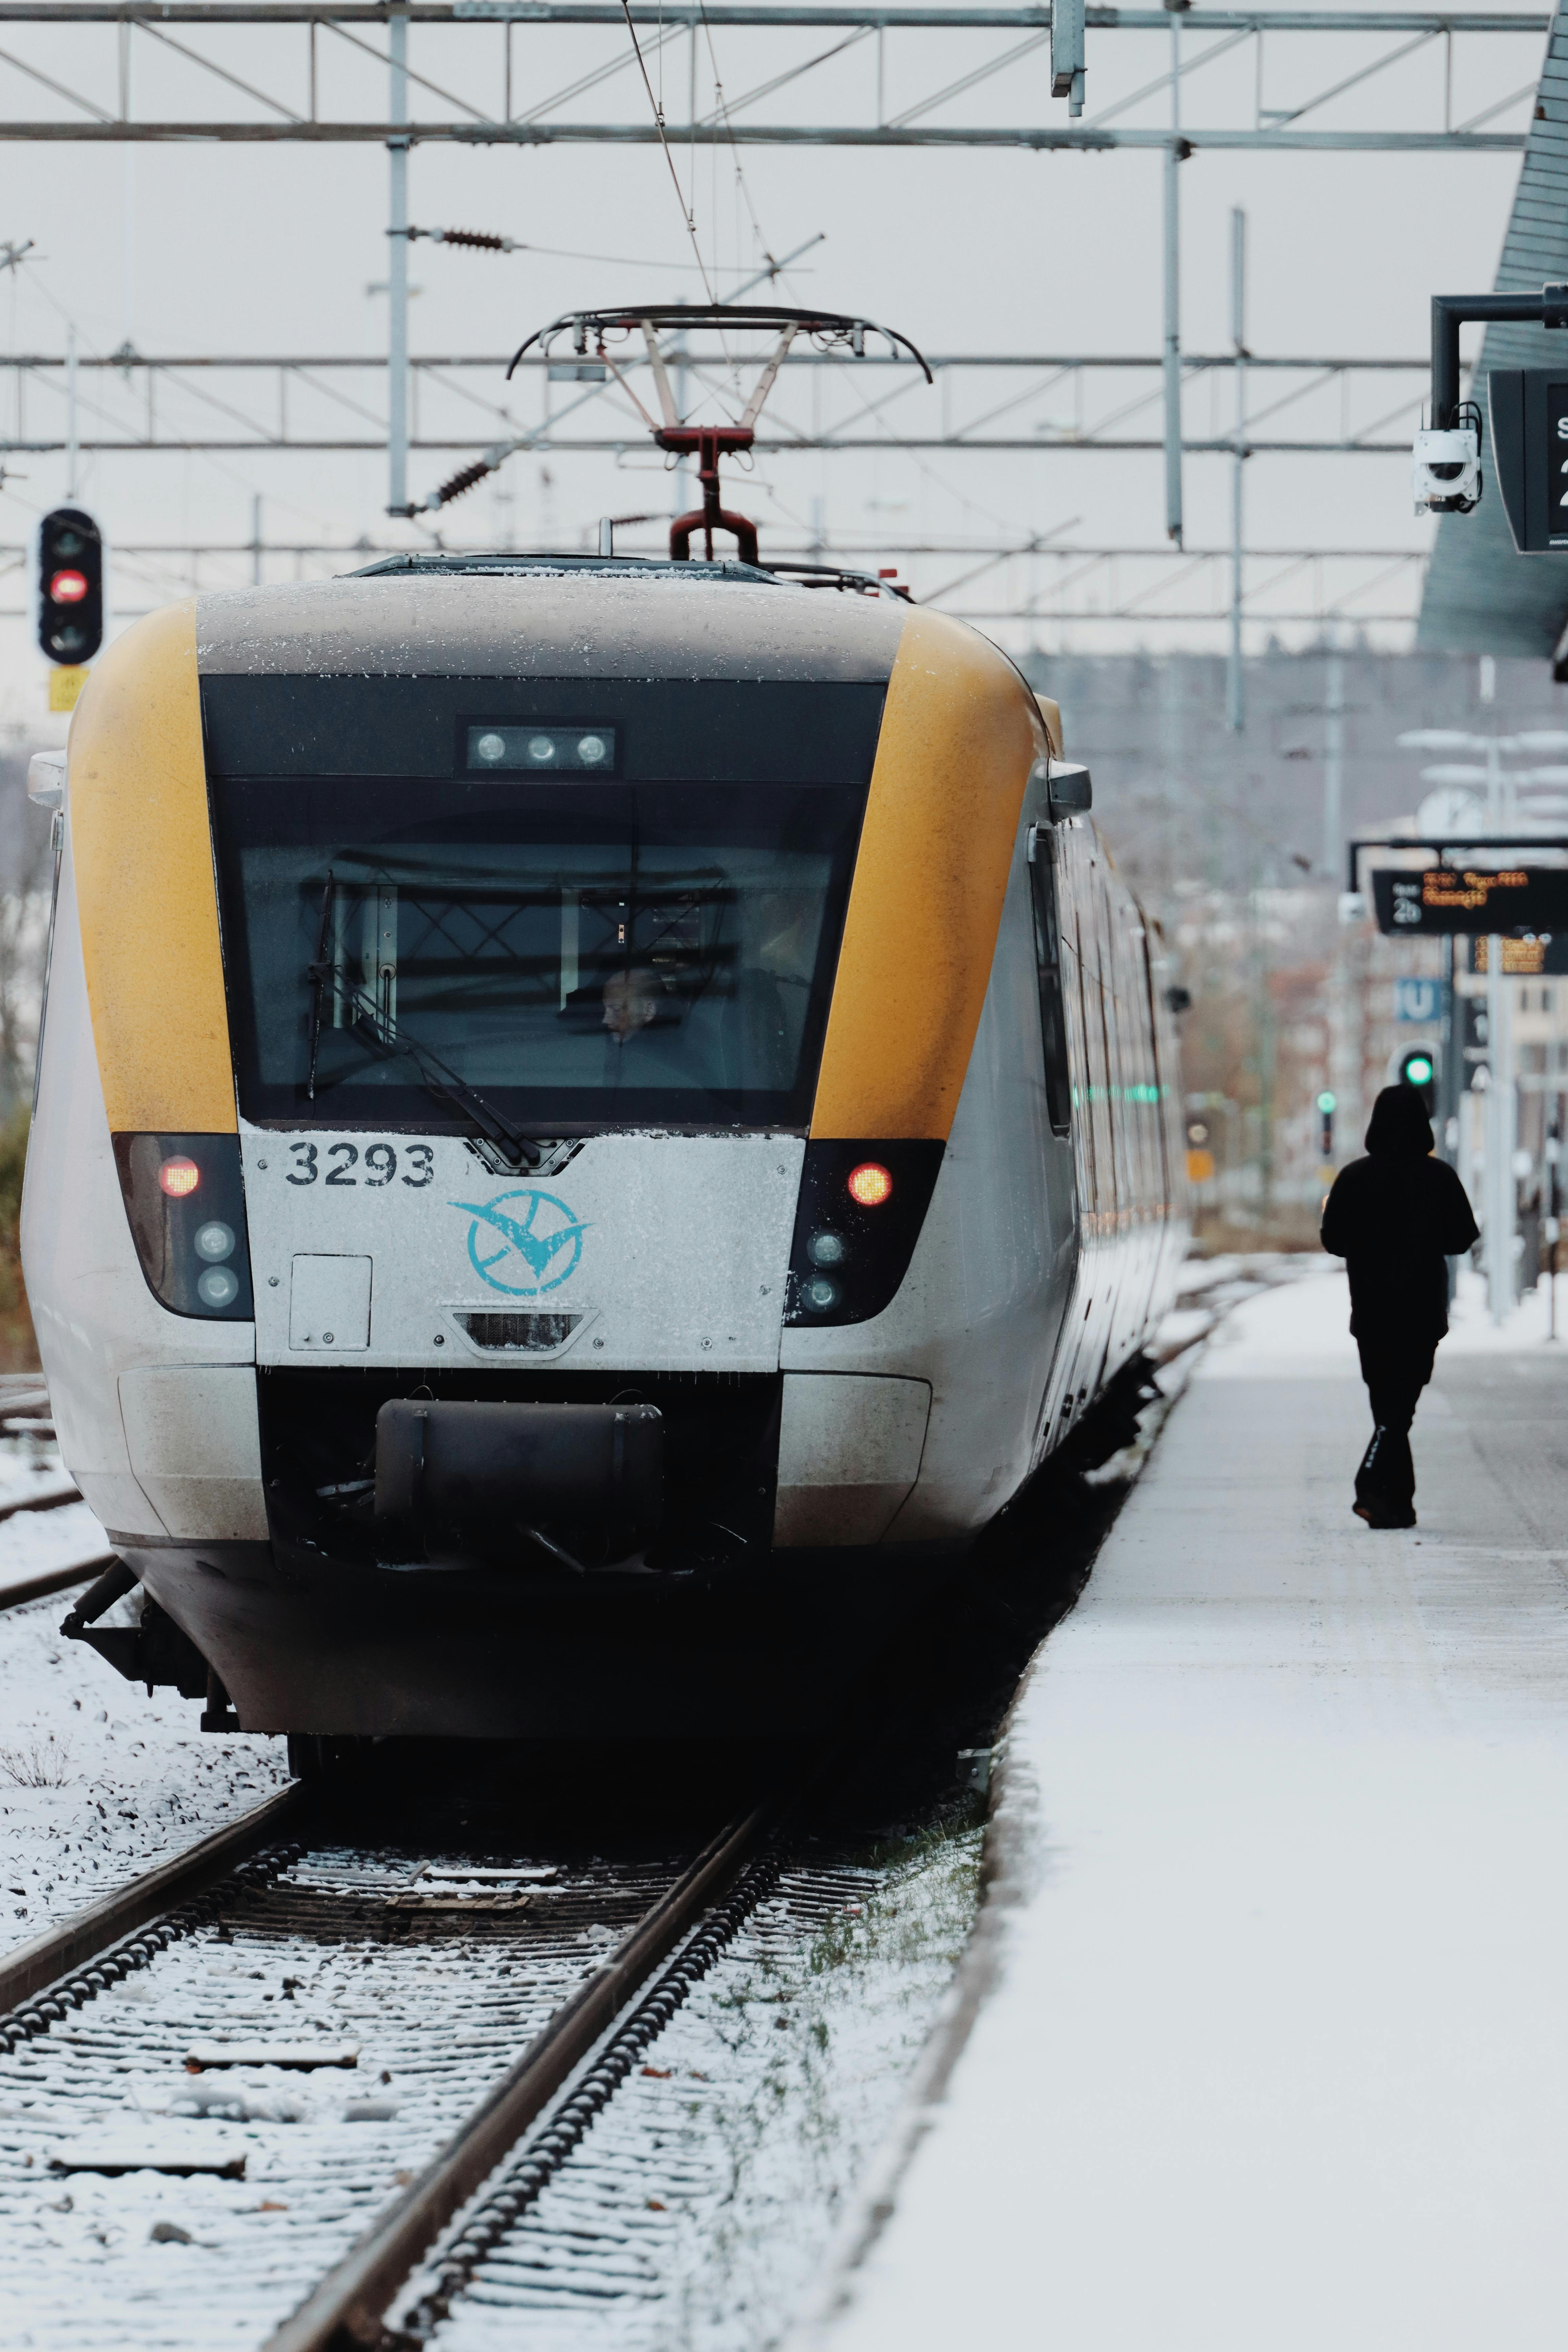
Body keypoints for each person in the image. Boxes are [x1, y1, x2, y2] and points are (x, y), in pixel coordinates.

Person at [1320, 1082, 1479, 1530]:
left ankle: (1390, 1501)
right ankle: (1383, 1495)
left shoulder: (1353, 1177)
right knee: (1400, 1409)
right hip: (1422, 1314)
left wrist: (1368, 1243)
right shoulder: (1440, 1178)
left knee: (1387, 1406)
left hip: (1370, 1313)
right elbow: (1463, 1238)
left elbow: (1333, 1240)